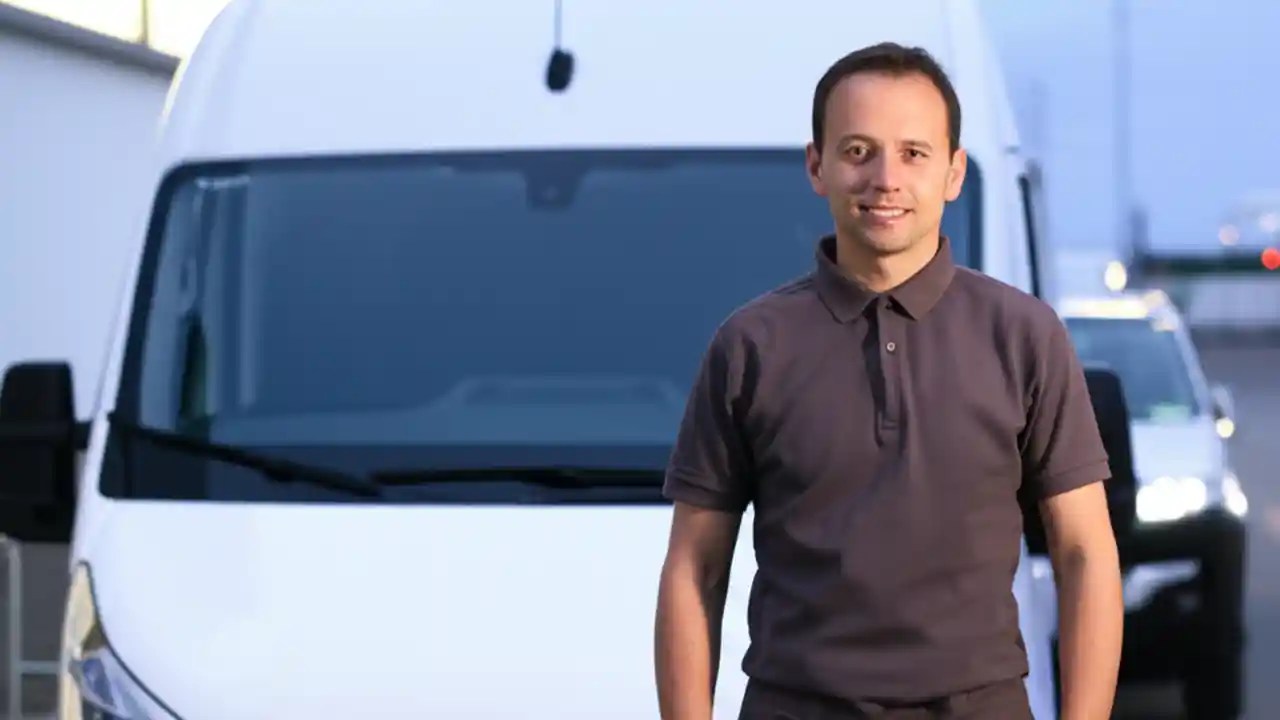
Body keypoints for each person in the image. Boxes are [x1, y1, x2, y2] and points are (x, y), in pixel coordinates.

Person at [653, 42, 1124, 719]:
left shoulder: (1024, 336)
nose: (885, 178)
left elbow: (1085, 554)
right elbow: (694, 570)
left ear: (954, 172)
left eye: (913, 153)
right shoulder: (750, 345)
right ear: (816, 166)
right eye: (857, 151)